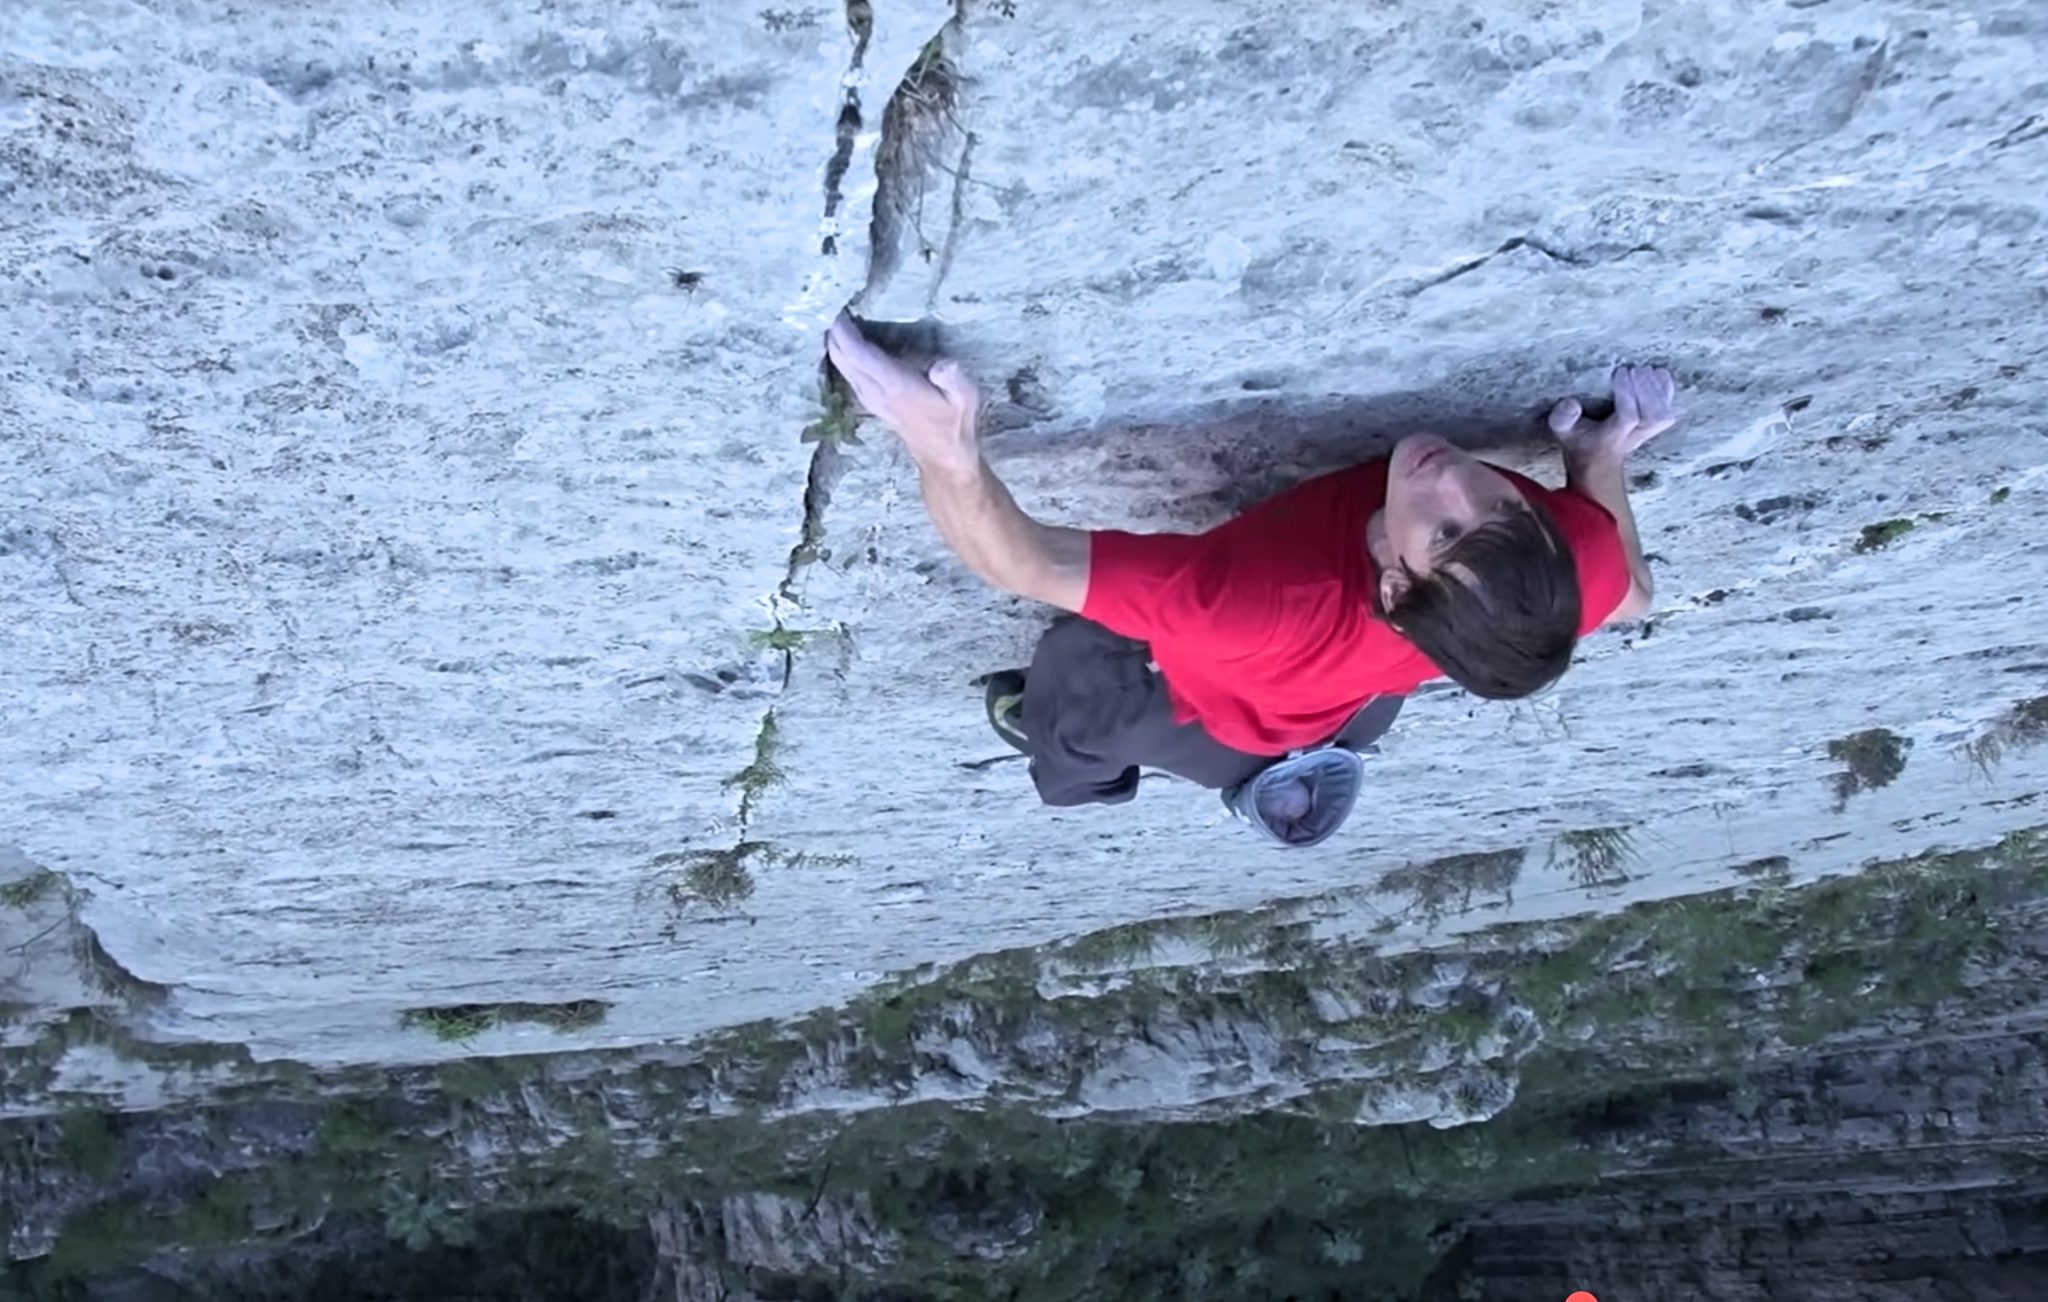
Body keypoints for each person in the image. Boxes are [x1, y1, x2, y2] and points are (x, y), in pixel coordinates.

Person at [824, 313, 1674, 810]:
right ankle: (1301, 764)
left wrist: (944, 451)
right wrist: (1597, 460)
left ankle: (1072, 766)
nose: (1456, 476)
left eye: (1446, 533)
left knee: (1082, 729)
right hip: (1357, 693)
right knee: (1344, 720)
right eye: (1504, 504)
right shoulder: (1555, 567)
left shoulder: (1251, 610)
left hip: (1235, 709)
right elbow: (1633, 593)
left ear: (1395, 580)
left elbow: (1024, 563)